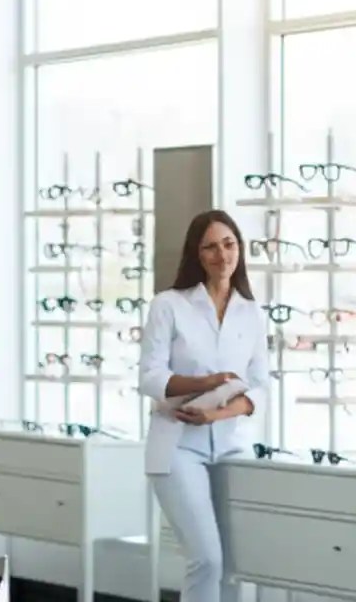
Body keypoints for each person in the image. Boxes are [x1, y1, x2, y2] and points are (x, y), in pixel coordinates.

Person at [138, 209, 270, 602]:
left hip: (232, 444)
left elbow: (261, 386)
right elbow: (150, 377)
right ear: (196, 254)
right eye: (210, 247)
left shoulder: (252, 311)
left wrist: (218, 412)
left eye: (229, 244)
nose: (222, 255)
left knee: (233, 568)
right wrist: (207, 383)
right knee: (206, 559)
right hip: (177, 447)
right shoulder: (169, 305)